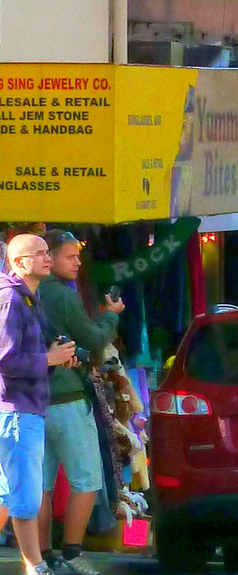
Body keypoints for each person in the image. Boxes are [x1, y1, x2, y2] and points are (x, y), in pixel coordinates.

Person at [37, 231, 123, 575]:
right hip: (68, 399)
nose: (77, 262)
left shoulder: (23, 294)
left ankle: (41, 555)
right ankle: (72, 552)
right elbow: (95, 339)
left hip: (30, 400)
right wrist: (110, 315)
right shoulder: (62, 295)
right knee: (86, 478)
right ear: (49, 258)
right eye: (69, 256)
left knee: (38, 484)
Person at [0, 235, 77, 575]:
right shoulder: (11, 300)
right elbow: (5, 358)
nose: (49, 258)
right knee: (25, 496)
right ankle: (36, 565)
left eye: (48, 252)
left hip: (24, 407)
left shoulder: (29, 299)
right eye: (41, 253)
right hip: (16, 408)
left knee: (7, 495)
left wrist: (60, 355)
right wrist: (48, 359)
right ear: (19, 262)